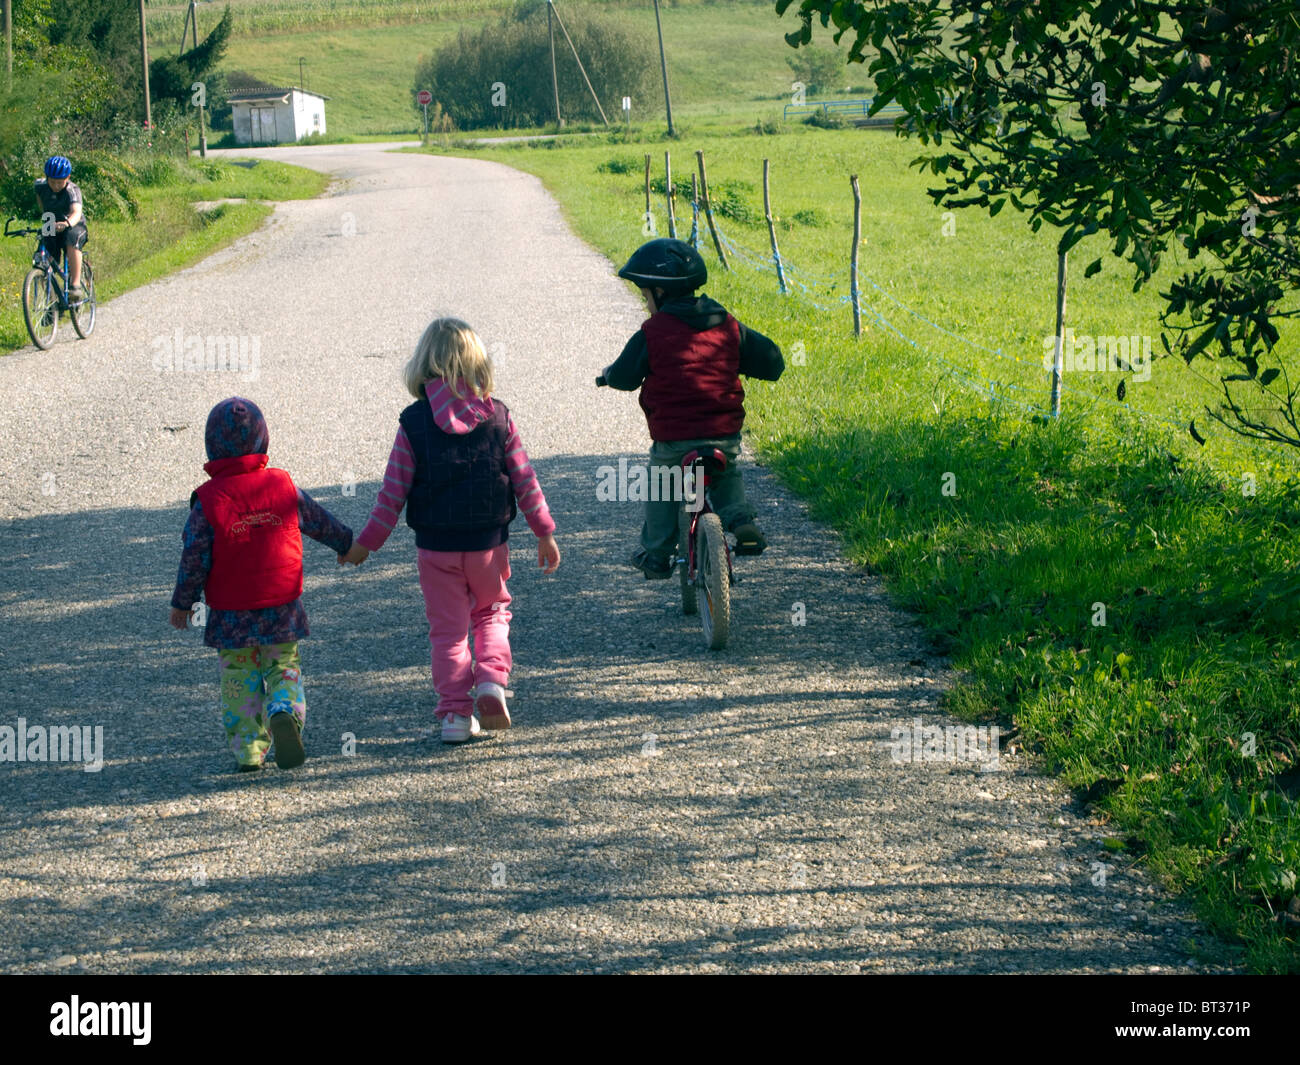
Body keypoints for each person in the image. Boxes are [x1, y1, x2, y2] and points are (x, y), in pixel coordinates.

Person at [342, 317, 560, 744]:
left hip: (436, 550)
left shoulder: (413, 424)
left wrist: (363, 545)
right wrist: (544, 531)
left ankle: (455, 718)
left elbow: (392, 494)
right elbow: (524, 479)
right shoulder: (499, 418)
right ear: (478, 365)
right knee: (492, 612)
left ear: (424, 366)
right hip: (488, 546)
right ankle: (492, 683)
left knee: (448, 631)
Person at [168, 397, 354, 772]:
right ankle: (285, 711)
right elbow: (318, 519)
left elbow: (194, 557)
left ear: (212, 448)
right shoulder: (282, 484)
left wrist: (183, 604)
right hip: (281, 608)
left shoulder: (207, 501)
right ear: (262, 441)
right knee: (283, 664)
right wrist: (347, 544)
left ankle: (249, 748)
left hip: (230, 614)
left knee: (238, 677)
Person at [601, 237, 784, 578]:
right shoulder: (727, 325)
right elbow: (772, 363)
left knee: (662, 484)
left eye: (645, 295)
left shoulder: (653, 333)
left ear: (660, 293)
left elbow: (626, 377)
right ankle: (741, 520)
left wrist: (609, 376)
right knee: (724, 472)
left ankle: (656, 554)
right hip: (723, 435)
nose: (646, 302)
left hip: (675, 439)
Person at [34, 156, 87, 299]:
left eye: (60, 182)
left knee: (72, 239)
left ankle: (75, 286)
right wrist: (47, 222)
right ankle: (50, 302)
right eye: (52, 182)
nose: (56, 186)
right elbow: (42, 206)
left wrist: (67, 223)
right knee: (43, 258)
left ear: (67, 177)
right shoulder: (40, 187)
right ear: (47, 178)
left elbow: (76, 212)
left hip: (73, 223)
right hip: (51, 222)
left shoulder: (72, 190)